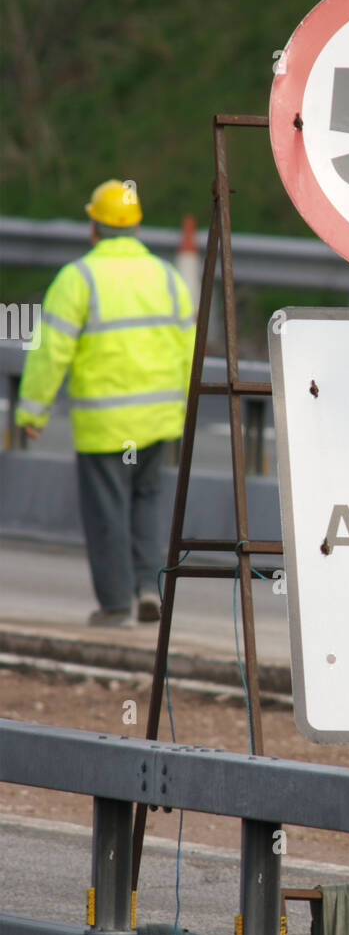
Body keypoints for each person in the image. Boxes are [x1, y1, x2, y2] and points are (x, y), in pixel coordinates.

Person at [15, 180, 195, 626]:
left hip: (105, 424)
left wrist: (32, 411)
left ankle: (116, 603)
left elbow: (50, 350)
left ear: (94, 226)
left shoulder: (79, 279)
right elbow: (189, 348)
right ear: (135, 226)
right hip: (156, 420)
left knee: (107, 509)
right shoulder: (167, 277)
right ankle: (150, 588)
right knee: (147, 502)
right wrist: (185, 410)